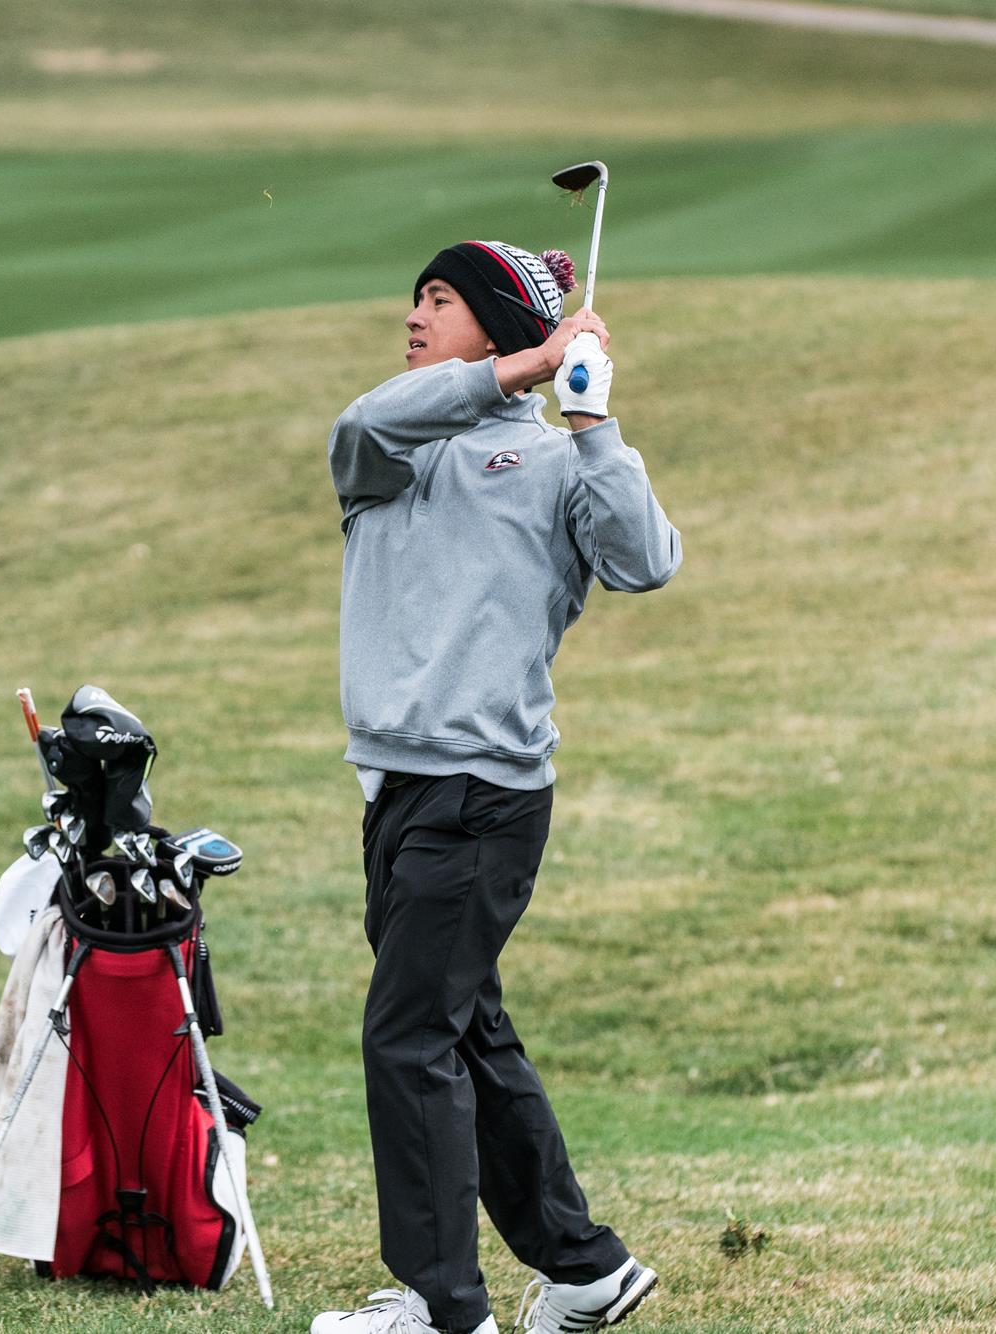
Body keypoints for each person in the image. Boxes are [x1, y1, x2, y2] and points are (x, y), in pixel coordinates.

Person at [312, 240, 682, 1334]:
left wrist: (591, 418)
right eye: (415, 298)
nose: (414, 316)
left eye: (440, 300)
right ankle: (583, 1267)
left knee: (408, 1035)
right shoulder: (392, 447)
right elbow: (362, 426)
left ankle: (439, 1303)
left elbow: (642, 558)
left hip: (483, 794)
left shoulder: (562, 465)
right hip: (396, 791)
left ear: (496, 318)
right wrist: (521, 363)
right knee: (462, 1026)